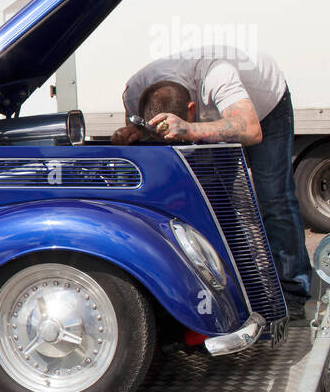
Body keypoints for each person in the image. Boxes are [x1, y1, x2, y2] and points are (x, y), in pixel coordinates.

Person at [110, 46, 312, 318]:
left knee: (274, 195)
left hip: (264, 110)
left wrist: (189, 131)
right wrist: (132, 135)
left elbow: (251, 130)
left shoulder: (217, 75)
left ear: (192, 110)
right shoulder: (135, 91)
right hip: (211, 115)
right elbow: (141, 138)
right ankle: (237, 286)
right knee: (214, 202)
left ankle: (292, 290)